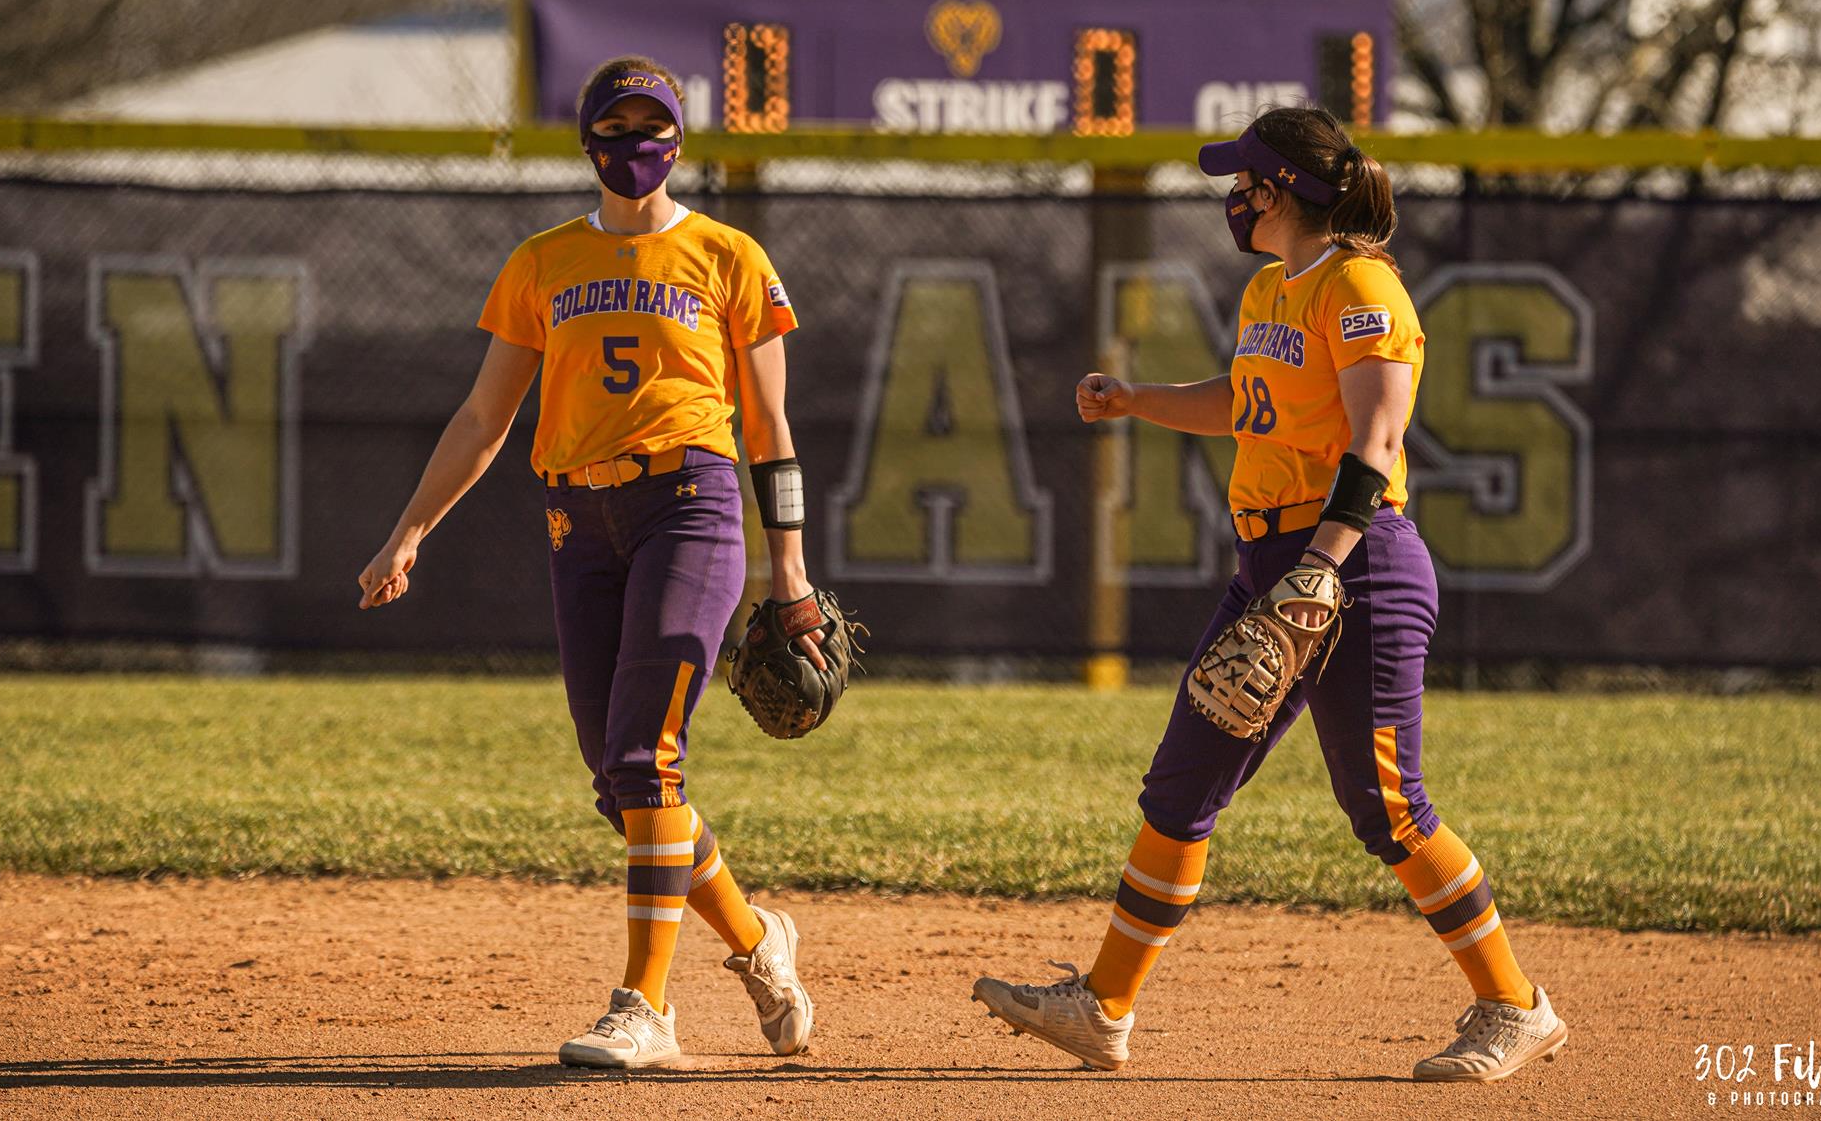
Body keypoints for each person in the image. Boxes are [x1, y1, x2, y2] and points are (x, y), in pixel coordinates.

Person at [972, 105, 1567, 1083]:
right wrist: (1137, 401)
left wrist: (1321, 563)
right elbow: (1242, 397)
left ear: (1283, 190)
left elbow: (1373, 443)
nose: (1231, 197)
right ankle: (1102, 1007)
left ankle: (1512, 1004)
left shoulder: (1361, 284)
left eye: (1242, 182)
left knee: (1385, 805)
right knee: (1180, 785)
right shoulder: (1266, 289)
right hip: (1271, 564)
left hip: (1355, 564)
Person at [357, 56, 824, 1070]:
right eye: (614, 121)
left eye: (650, 120)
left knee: (646, 759)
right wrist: (411, 529)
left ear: (678, 138)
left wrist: (786, 569)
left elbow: (772, 430)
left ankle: (643, 1006)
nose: (633, 138)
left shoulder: (728, 255)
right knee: (622, 782)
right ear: (587, 140)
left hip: (690, 505)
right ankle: (756, 944)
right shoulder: (542, 262)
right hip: (577, 517)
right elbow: (485, 418)